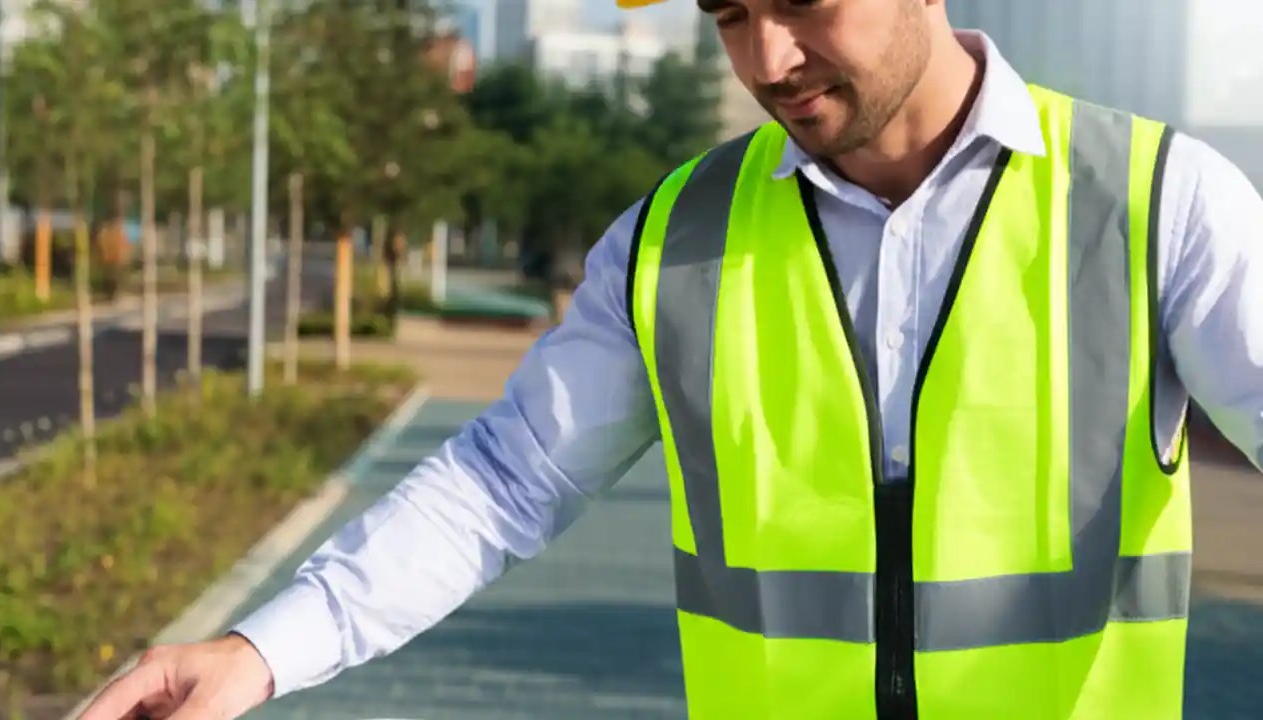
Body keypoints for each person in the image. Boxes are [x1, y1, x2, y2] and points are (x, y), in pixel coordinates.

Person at [79, 0, 1263, 718]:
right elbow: (501, 482)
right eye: (726, 13)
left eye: (799, 2)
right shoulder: (673, 241)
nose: (768, 58)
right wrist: (256, 652)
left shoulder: (1155, 203)